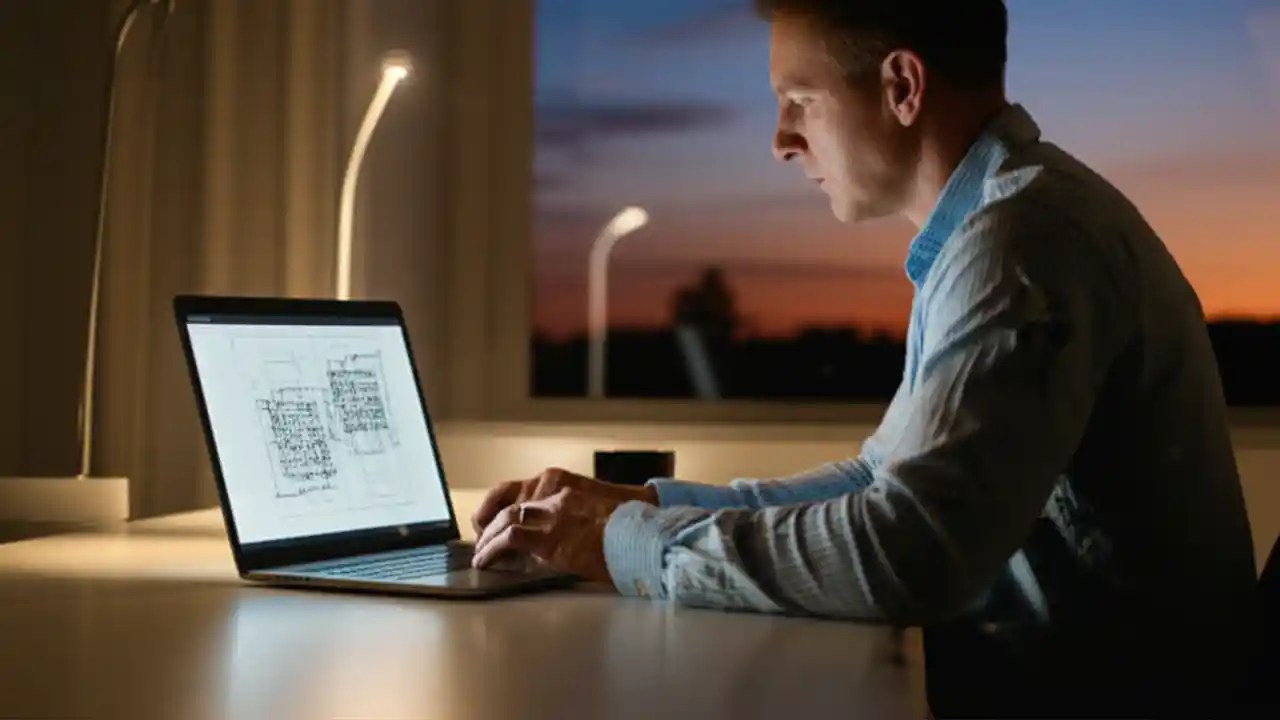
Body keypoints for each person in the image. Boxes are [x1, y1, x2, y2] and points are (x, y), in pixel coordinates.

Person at [473, 0, 1260, 715]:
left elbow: (909, 549)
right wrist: (634, 505)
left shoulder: (1022, 246)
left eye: (800, 101)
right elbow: (880, 481)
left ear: (902, 87)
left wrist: (627, 543)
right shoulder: (1000, 227)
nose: (781, 141)